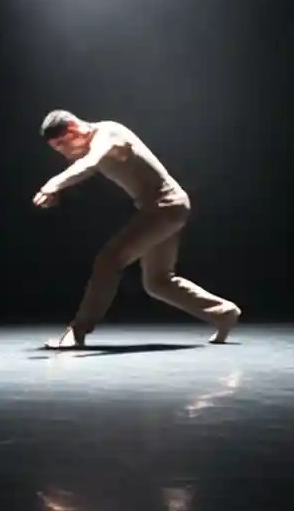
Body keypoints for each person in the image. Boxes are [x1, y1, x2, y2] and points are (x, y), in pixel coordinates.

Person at [33, 109, 241, 348]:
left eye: (61, 145)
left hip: (165, 208)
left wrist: (52, 184)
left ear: (73, 129)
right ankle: (224, 313)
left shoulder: (107, 132)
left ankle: (77, 331)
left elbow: (92, 162)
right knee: (158, 282)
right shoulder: (91, 145)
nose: (63, 153)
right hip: (162, 210)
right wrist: (57, 191)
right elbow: (85, 165)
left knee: (108, 261)